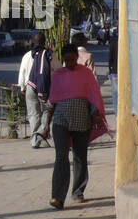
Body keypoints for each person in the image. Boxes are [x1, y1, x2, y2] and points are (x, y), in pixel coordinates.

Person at [46, 42, 107, 210]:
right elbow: (52, 101)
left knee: (80, 157)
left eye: (73, 59)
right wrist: (46, 125)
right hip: (60, 122)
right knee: (61, 158)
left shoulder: (85, 74)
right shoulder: (58, 75)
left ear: (77, 58)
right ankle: (57, 197)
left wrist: (95, 115)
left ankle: (78, 191)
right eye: (67, 61)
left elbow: (93, 96)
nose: (70, 63)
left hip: (82, 122)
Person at [18, 31, 54, 148]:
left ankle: (35, 140)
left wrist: (22, 87)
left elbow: (22, 73)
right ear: (45, 42)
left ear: (33, 42)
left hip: (30, 86)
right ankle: (39, 135)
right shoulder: (49, 55)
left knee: (33, 114)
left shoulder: (27, 55)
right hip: (45, 88)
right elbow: (56, 71)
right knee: (46, 112)